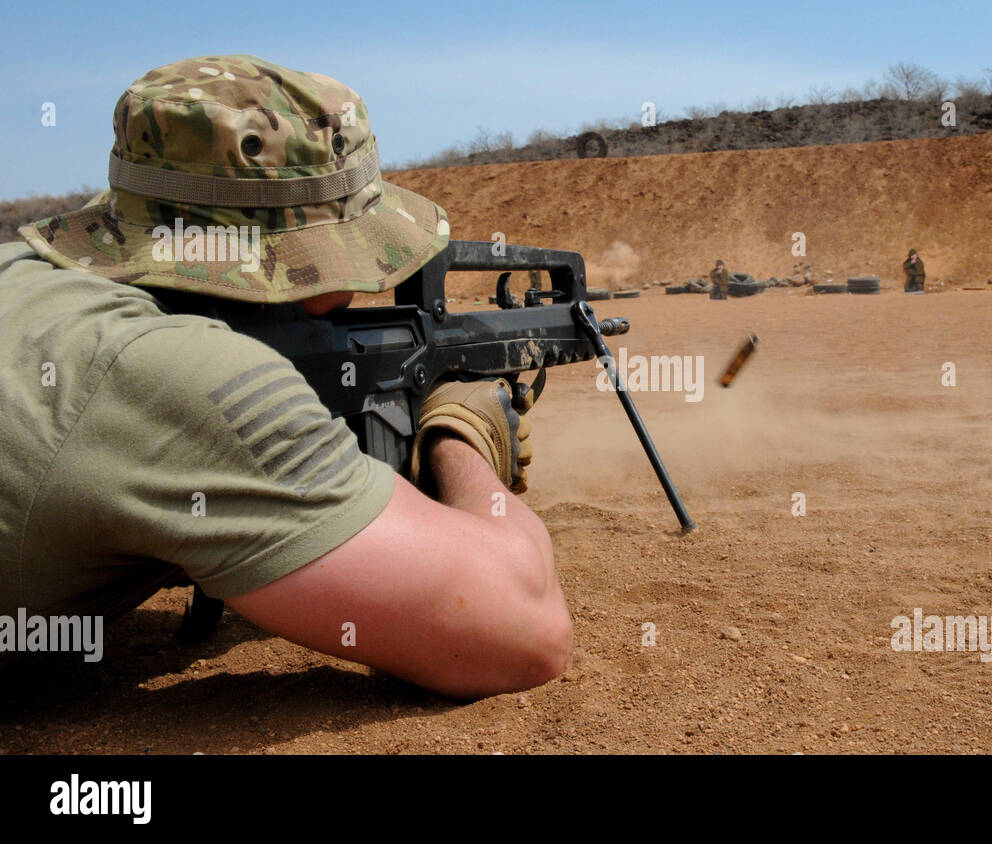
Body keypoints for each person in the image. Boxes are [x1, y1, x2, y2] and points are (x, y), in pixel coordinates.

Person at [0, 55, 571, 699]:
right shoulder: (175, 373)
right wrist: (461, 433)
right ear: (297, 266)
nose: (357, 291)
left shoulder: (21, 276)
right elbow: (525, 631)